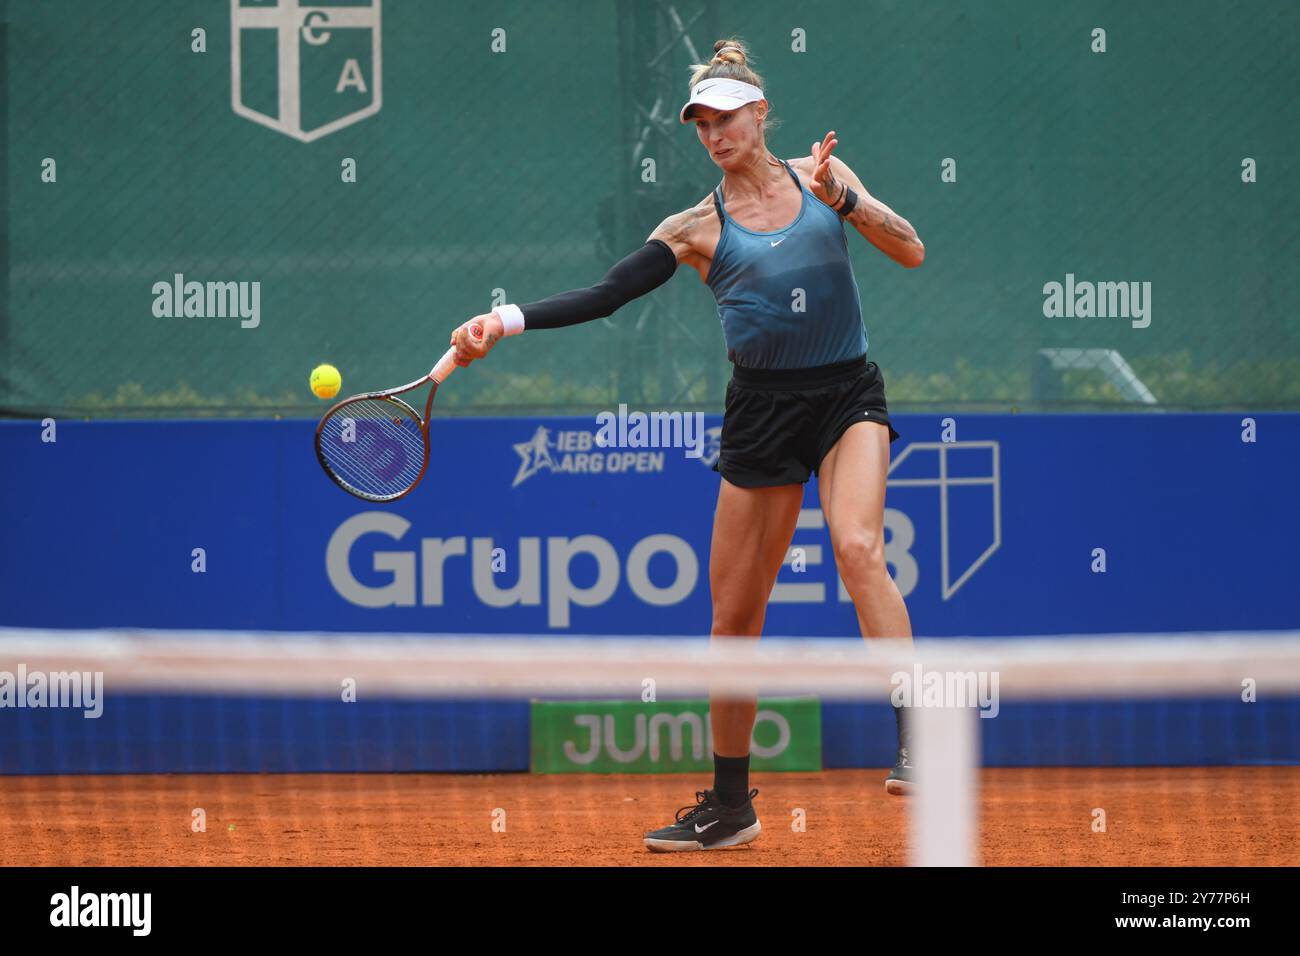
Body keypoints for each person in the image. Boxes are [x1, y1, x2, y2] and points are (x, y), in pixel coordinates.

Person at [449, 38, 925, 852]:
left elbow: (910, 248)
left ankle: (919, 734)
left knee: (857, 546)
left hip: (848, 393)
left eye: (726, 117)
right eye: (701, 123)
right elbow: (607, 294)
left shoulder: (823, 179)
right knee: (734, 619)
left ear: (760, 113)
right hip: (762, 413)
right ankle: (731, 807)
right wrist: (504, 320)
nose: (714, 133)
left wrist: (846, 200)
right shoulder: (695, 227)